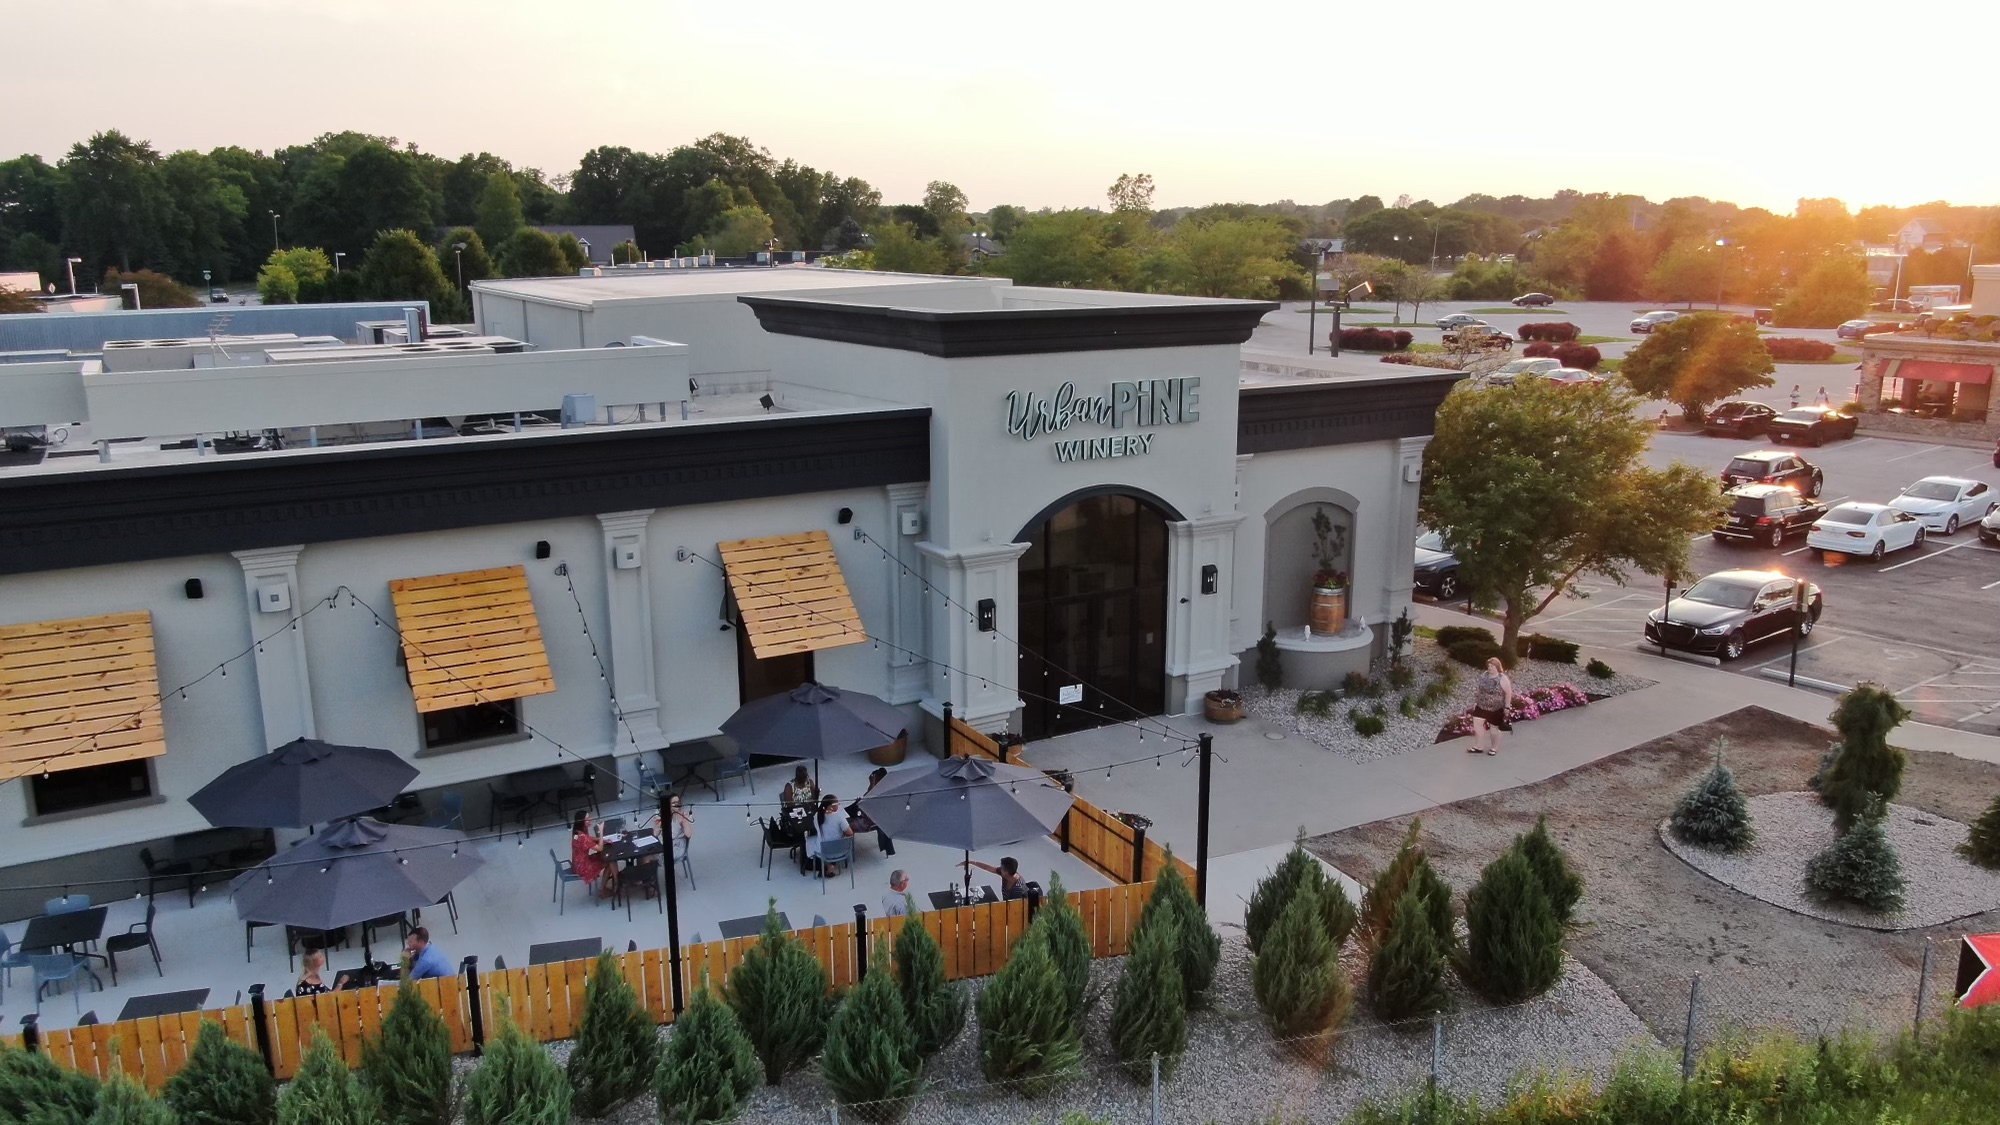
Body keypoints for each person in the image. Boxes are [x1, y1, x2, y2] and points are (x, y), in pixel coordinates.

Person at [1468, 656, 1516, 757]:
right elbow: (1479, 688)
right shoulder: (1484, 675)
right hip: (1481, 706)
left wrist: (1507, 707)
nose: (1490, 668)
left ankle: (1494, 747)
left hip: (1495, 709)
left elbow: (1508, 693)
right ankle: (1479, 746)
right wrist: (1476, 698)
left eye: (1492, 666)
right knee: (1477, 725)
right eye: (1489, 666)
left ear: (1497, 667)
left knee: (1493, 729)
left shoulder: (1502, 678)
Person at [849, 767, 896, 855]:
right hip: (875, 817)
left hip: (872, 821)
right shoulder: (878, 787)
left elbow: (869, 798)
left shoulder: (881, 790)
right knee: (854, 807)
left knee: (845, 824)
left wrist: (872, 784)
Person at [804, 793, 853, 877]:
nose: (838, 805)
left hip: (824, 849)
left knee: (810, 841)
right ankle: (829, 865)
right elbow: (850, 833)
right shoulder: (839, 817)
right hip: (839, 850)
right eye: (837, 803)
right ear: (830, 807)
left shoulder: (817, 816)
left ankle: (827, 865)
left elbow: (817, 830)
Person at [570, 813, 613, 897]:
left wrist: (601, 840)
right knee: (609, 862)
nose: (590, 819)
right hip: (583, 867)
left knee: (601, 856)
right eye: (587, 819)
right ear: (582, 821)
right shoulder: (582, 837)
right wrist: (601, 832)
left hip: (578, 863)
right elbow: (600, 848)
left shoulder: (578, 832)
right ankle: (603, 889)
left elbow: (589, 838)